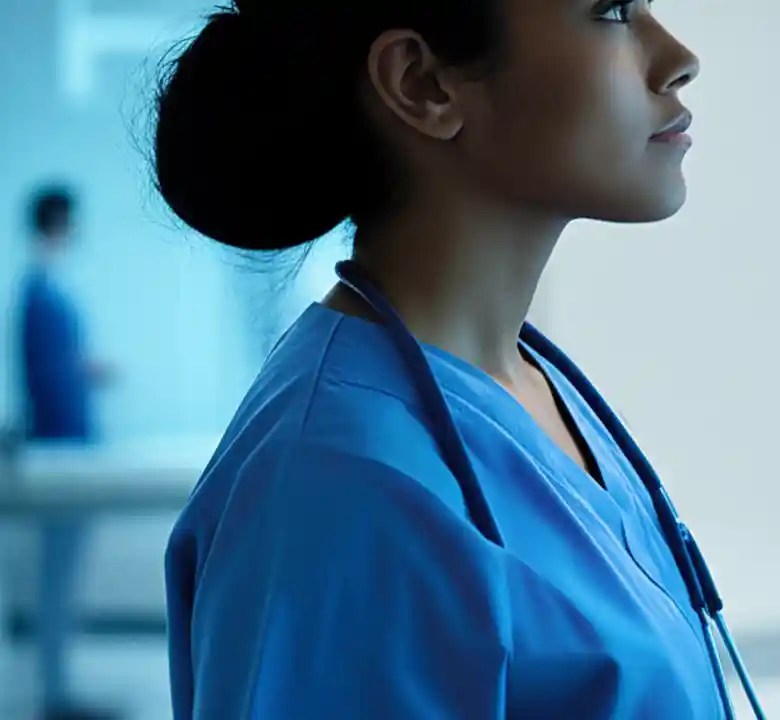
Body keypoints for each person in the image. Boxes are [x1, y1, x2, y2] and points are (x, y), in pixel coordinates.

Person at [151, 1, 729, 718]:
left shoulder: (529, 387)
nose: (678, 57)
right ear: (424, 84)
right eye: (611, 10)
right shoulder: (341, 488)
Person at [17, 185, 117, 720]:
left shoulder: (48, 289)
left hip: (66, 442)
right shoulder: (41, 290)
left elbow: (55, 371)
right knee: (57, 578)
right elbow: (49, 380)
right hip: (61, 450)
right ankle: (54, 695)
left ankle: (57, 689)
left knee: (61, 577)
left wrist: (85, 371)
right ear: (59, 223)